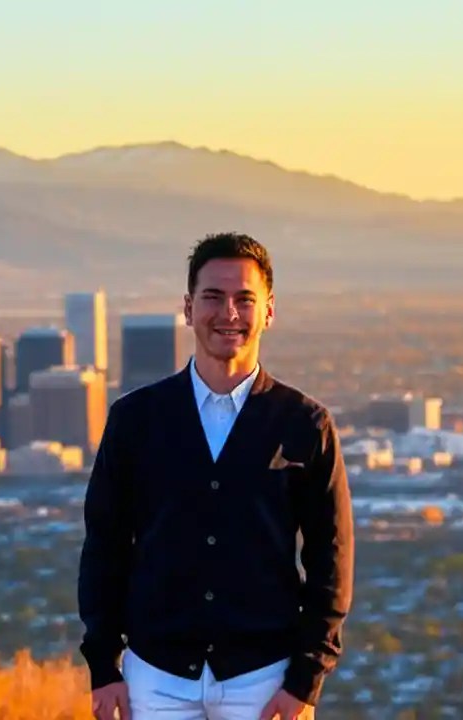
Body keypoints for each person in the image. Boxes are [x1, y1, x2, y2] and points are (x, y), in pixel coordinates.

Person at [78, 232, 355, 720]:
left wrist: (306, 681)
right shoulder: (135, 420)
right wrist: (104, 666)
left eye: (245, 299)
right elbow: (106, 544)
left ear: (269, 311)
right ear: (187, 308)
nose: (228, 313)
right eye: (212, 297)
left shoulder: (306, 425)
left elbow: (330, 562)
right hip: (154, 679)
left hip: (265, 681)